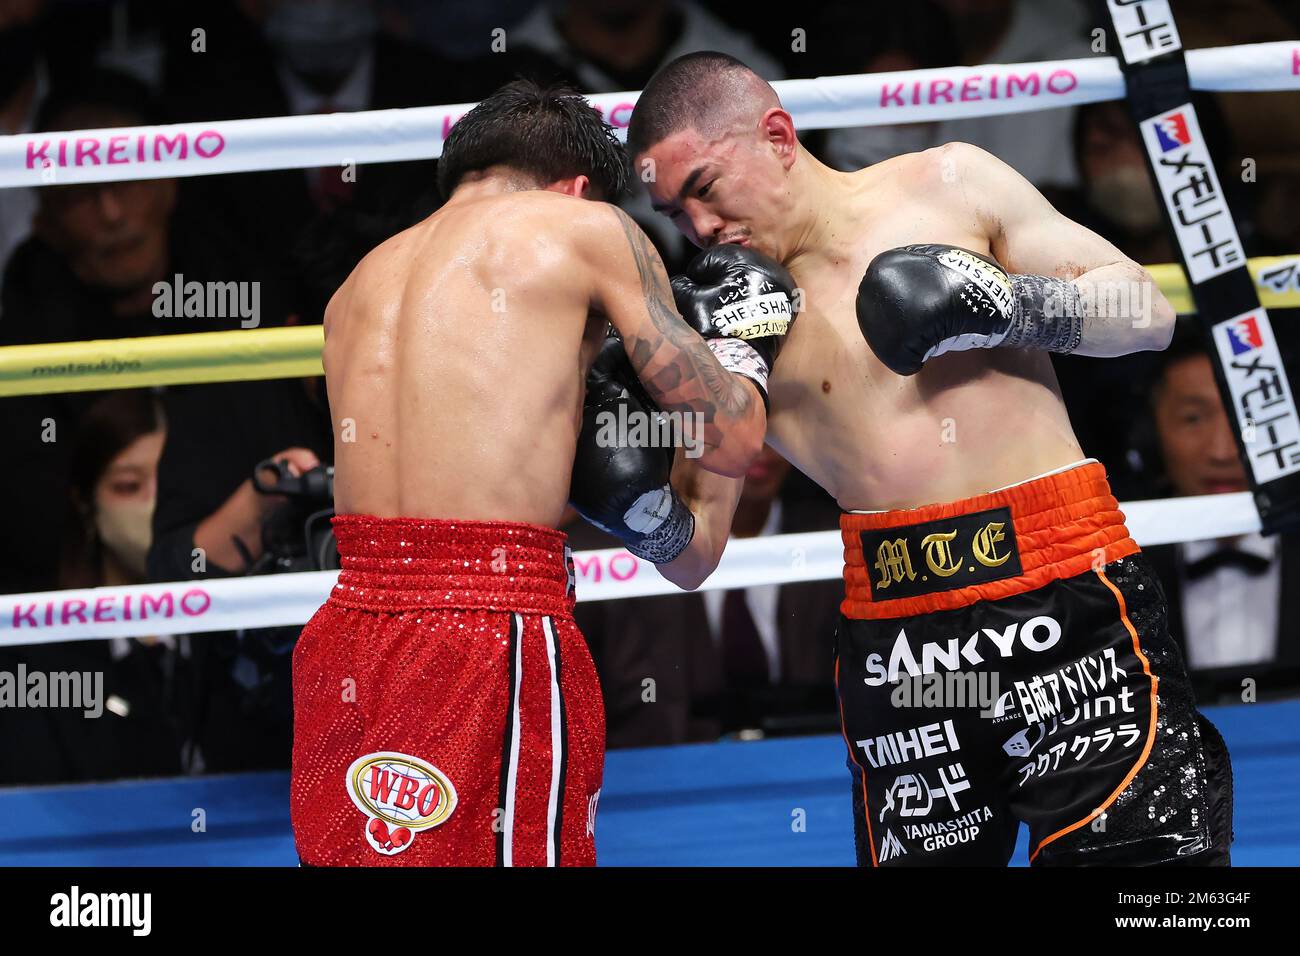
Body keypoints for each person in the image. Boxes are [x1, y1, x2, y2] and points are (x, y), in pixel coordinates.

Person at [625, 51, 1233, 866]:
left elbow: (1146, 312)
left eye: (702, 188)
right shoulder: (729, 328)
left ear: (775, 134)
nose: (696, 228)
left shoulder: (948, 183)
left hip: (1067, 599)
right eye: (672, 210)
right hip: (903, 647)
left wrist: (1008, 306)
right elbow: (695, 552)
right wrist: (637, 507)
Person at [291, 79, 791, 866]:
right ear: (576, 187)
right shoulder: (587, 230)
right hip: (490, 621)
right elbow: (729, 441)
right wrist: (743, 349)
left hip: (349, 626)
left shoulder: (358, 284)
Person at [1138, 321, 1300, 701]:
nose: (1222, 451)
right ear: (1149, 435)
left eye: (1249, 420)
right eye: (1193, 418)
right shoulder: (1111, 572)